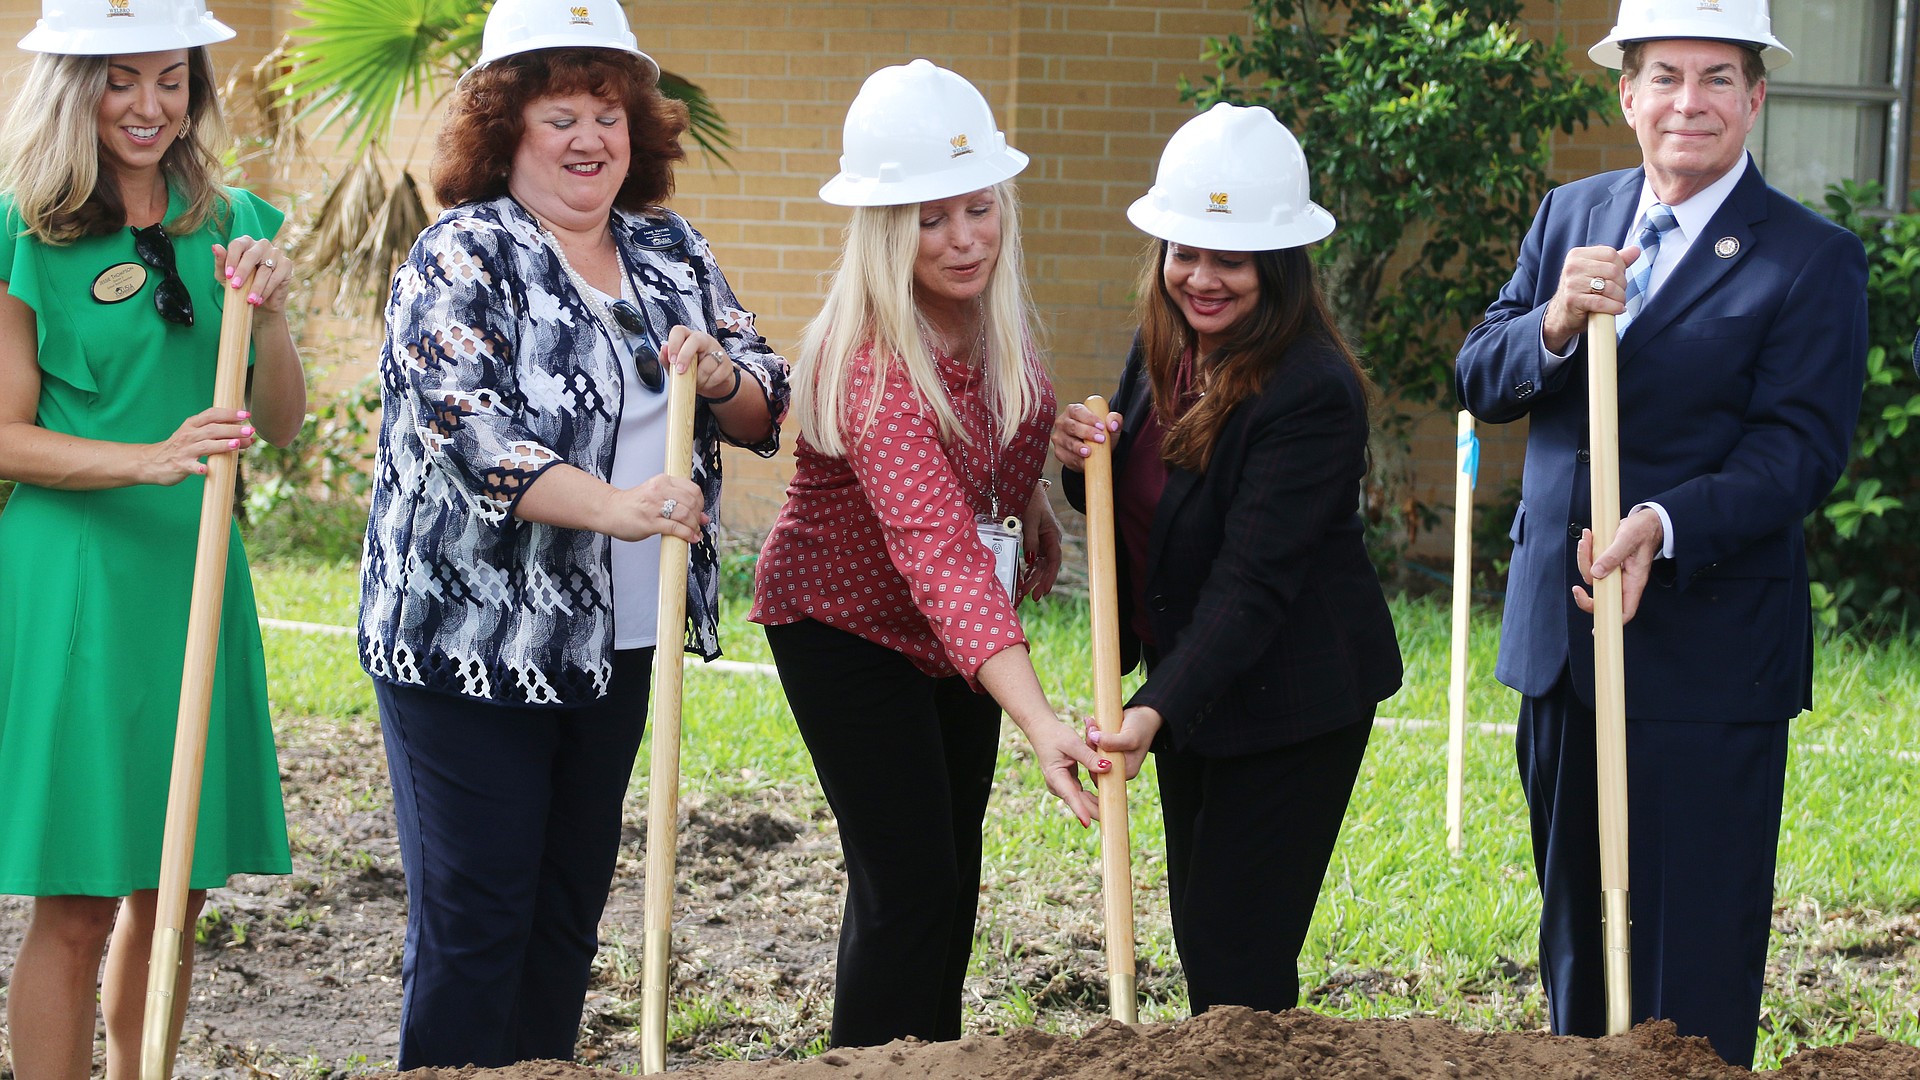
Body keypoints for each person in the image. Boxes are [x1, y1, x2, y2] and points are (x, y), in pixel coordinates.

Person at [355, 0, 789, 1066]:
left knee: (562, 924)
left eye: (608, 111)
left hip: (617, 646)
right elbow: (468, 434)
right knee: (477, 921)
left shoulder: (667, 248)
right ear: (505, 128)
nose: (589, 138)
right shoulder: (463, 254)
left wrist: (725, 374)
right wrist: (621, 509)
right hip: (466, 646)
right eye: (560, 115)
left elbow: (768, 397)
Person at [1453, 0, 1868, 1065]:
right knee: (1578, 941)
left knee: (1691, 951)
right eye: (1668, 76)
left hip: (1709, 653)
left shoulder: (1810, 260)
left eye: (1720, 78)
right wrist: (1548, 322)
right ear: (1626, 92)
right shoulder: (1572, 213)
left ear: (1757, 98)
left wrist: (1662, 523)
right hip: (1564, 638)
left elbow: (1799, 451)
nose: (1692, 102)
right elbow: (1479, 374)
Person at [750, 59, 1105, 1047]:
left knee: (952, 869)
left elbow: (980, 463)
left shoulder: (996, 319)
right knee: (907, 880)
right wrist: (1041, 723)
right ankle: (870, 1066)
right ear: (884, 228)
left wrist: (1030, 494)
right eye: (930, 218)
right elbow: (937, 549)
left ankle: (933, 1059)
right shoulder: (870, 360)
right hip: (844, 624)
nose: (963, 239)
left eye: (977, 210)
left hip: (955, 633)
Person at [0, 1, 304, 1076]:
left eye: (170, 78)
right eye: (119, 78)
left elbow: (278, 424)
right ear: (71, 86)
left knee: (173, 889)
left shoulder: (240, 219)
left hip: (197, 569)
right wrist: (148, 458)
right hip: (78, 574)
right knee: (78, 898)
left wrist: (267, 315)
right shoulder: (19, 229)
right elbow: (5, 438)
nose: (149, 104)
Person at [1050, 103, 1402, 1015]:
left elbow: (1254, 582)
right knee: (1206, 927)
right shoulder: (1165, 342)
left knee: (1236, 944)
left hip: (1293, 696)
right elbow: (1142, 503)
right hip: (1198, 684)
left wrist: (1152, 709)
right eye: (1184, 253)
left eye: (1230, 259)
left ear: (1278, 265)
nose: (1200, 278)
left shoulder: (1312, 390)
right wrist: (1080, 461)